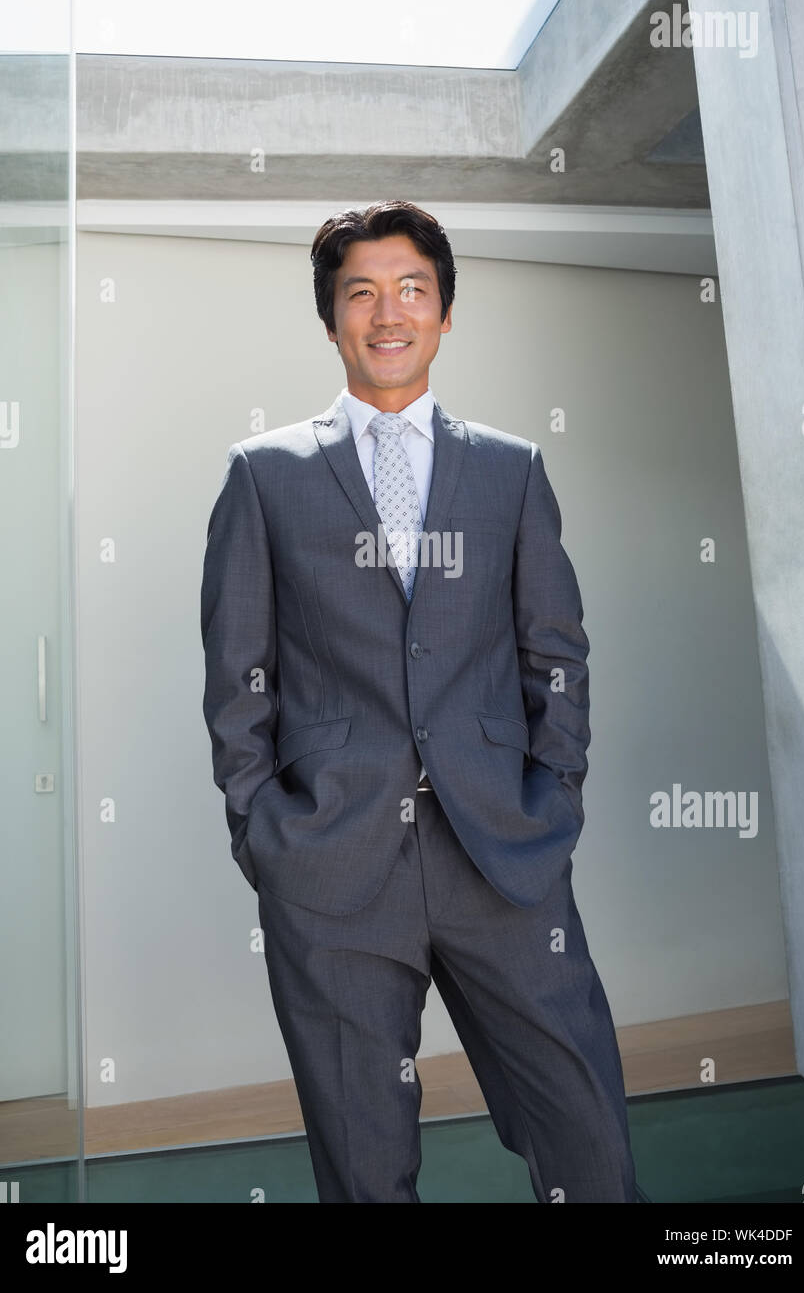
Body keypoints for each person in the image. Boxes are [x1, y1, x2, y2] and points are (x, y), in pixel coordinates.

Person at [200, 198, 637, 1203]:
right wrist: (266, 833)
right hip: (332, 863)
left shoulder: (508, 468)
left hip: (501, 852)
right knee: (364, 1167)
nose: (386, 312)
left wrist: (551, 799)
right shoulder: (263, 477)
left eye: (412, 289)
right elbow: (237, 676)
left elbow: (555, 652)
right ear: (330, 321)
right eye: (361, 293)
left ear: (444, 313)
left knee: (586, 1139)